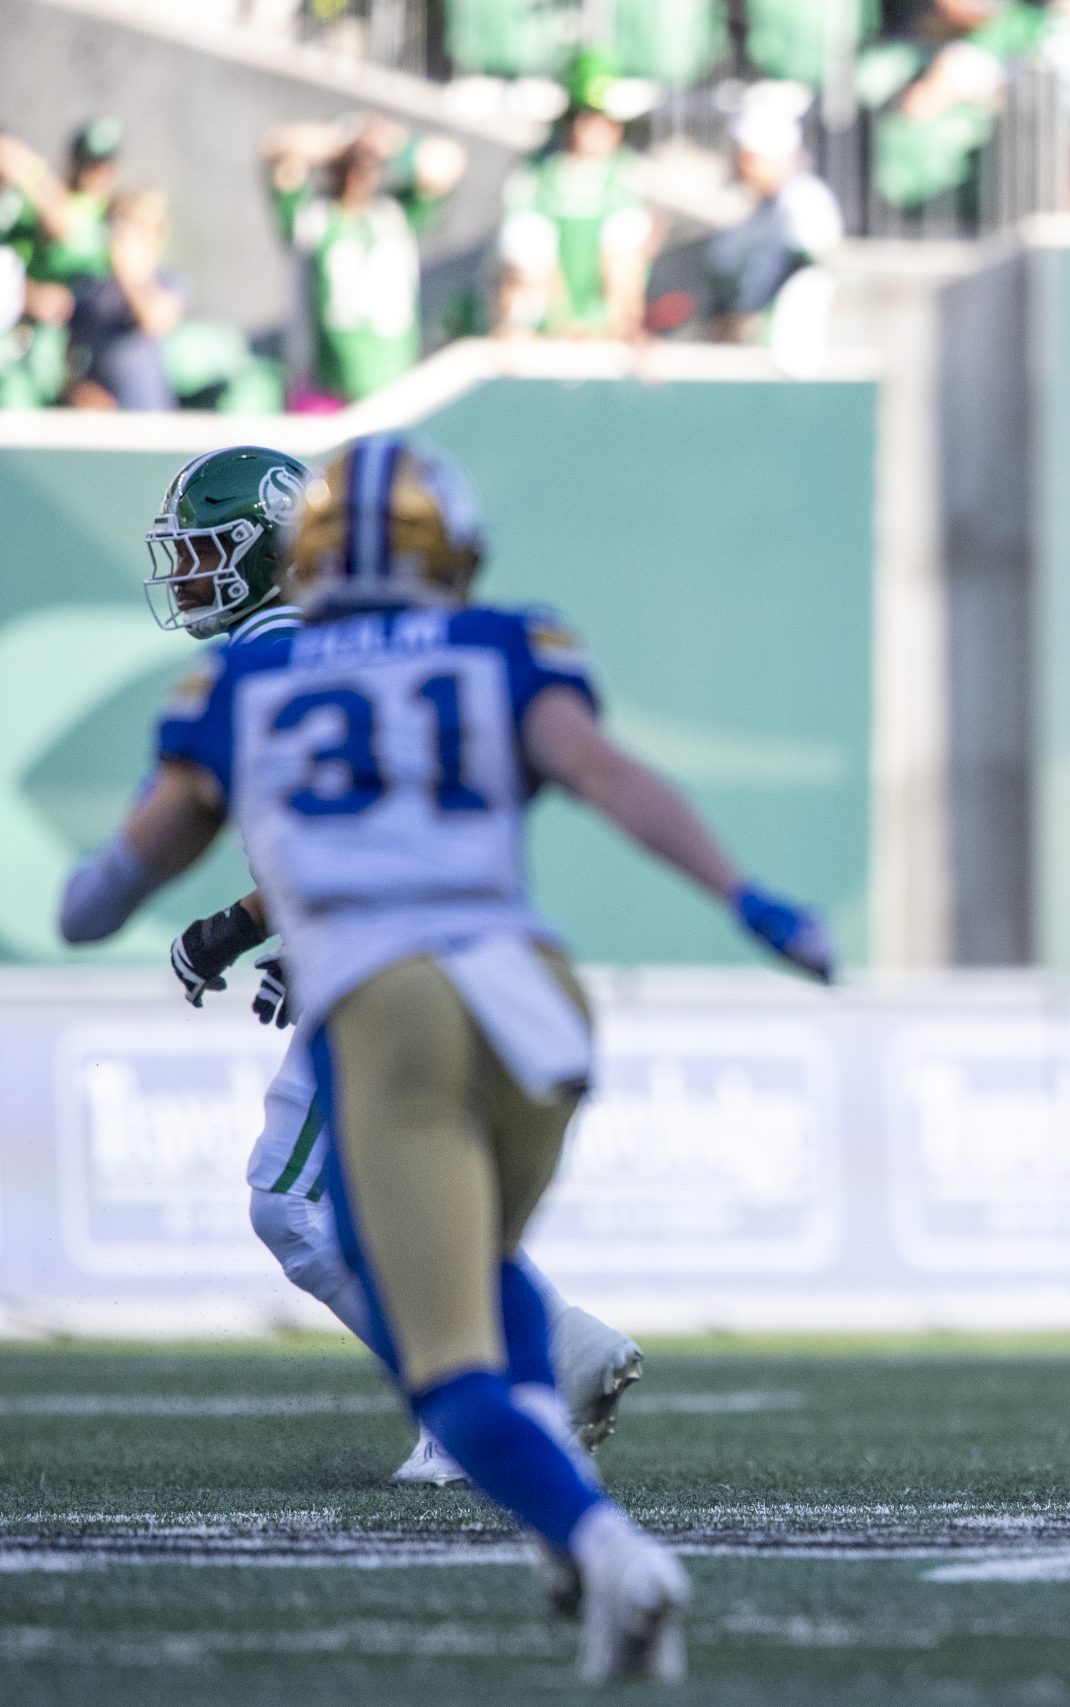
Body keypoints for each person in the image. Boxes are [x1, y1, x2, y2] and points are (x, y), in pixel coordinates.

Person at [56, 432, 835, 1678]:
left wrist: (121, 904)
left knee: (357, 1260)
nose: (193, 578)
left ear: (292, 549)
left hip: (393, 987)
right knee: (439, 1239)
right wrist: (752, 902)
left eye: (211, 553)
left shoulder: (248, 679)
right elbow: (609, 778)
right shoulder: (507, 643)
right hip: (536, 995)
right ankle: (557, 1396)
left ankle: (557, 1489)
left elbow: (142, 880)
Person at [102, 444, 646, 1488]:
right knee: (366, 1188)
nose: (185, 577)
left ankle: (480, 1405)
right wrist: (240, 926)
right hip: (448, 945)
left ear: (271, 551)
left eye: (207, 551)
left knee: (304, 1201)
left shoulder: (267, 659)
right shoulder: (352, 641)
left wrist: (303, 943)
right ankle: (557, 1349)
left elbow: (329, 834)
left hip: (390, 956)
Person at [265, 117, 467, 407]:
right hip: (328, 392)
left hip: (394, 389)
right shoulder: (313, 219)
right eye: (350, 166)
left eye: (366, 166)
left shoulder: (394, 214)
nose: (357, 174)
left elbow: (448, 163)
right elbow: (278, 148)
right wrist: (343, 141)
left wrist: (393, 145)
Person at [497, 50, 659, 342]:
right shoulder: (535, 177)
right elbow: (530, 265)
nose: (593, 129)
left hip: (602, 331)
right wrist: (562, 325)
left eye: (605, 120)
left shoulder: (625, 177)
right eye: (584, 117)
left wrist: (619, 327)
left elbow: (624, 268)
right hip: (544, 331)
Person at [705, 95, 844, 371]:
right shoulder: (759, 209)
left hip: (788, 361)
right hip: (756, 358)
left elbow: (812, 273)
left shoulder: (806, 202)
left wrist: (754, 320)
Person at [60, 189, 184, 410]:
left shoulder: (166, 282)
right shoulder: (91, 290)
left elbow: (156, 320)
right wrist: (76, 390)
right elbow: (70, 353)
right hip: (104, 426)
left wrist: (129, 275)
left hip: (149, 416)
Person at [0, 119, 120, 289]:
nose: (94, 171)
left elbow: (61, 221)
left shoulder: (101, 214)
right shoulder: (51, 195)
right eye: (87, 162)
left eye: (101, 164)